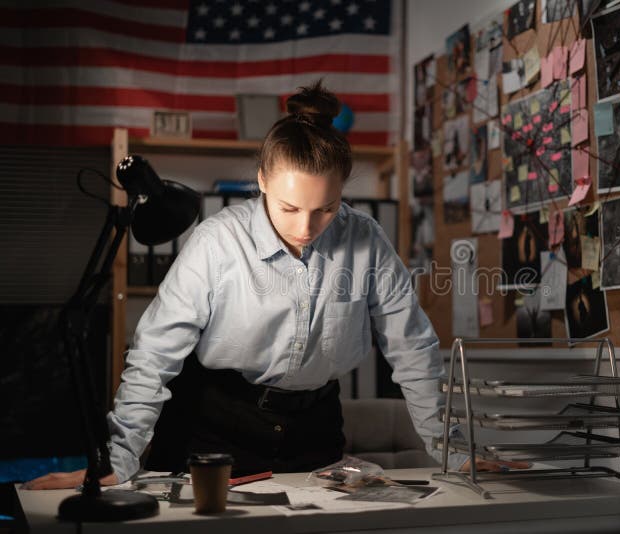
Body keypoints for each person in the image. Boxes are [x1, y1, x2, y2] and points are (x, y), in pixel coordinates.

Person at [25, 81, 522, 490]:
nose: (306, 227)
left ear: (343, 192)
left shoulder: (366, 238)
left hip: (316, 423)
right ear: (262, 179)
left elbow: (413, 349)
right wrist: (120, 458)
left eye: (326, 209)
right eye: (289, 208)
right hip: (213, 421)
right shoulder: (217, 242)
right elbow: (153, 354)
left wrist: (455, 451)